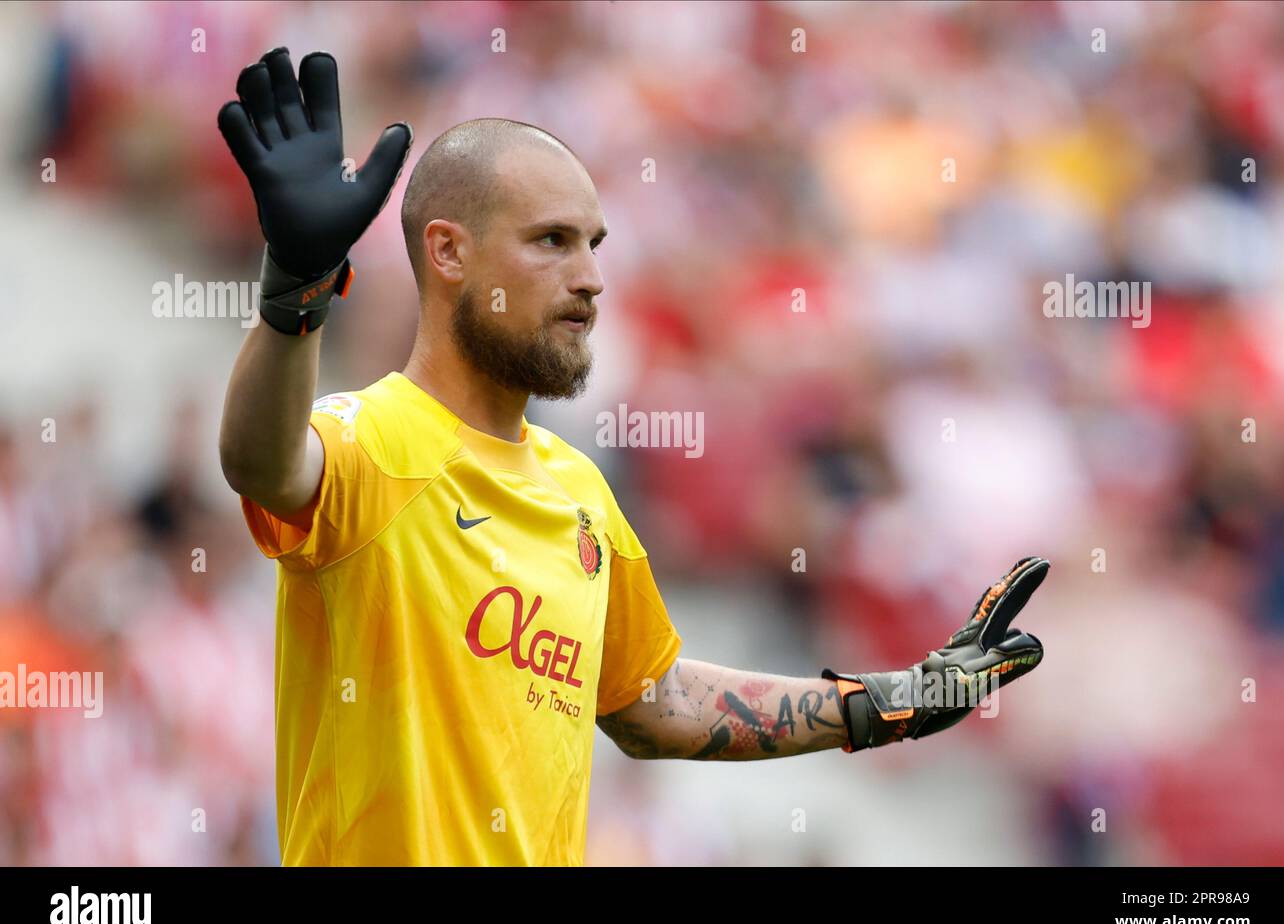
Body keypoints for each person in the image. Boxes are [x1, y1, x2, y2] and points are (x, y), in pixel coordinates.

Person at [216, 47, 1049, 866]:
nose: (590, 279)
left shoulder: (581, 493)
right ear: (449, 253)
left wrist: (890, 703)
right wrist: (298, 284)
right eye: (550, 242)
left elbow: (658, 703)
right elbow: (262, 462)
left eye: (594, 244)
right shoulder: (373, 439)